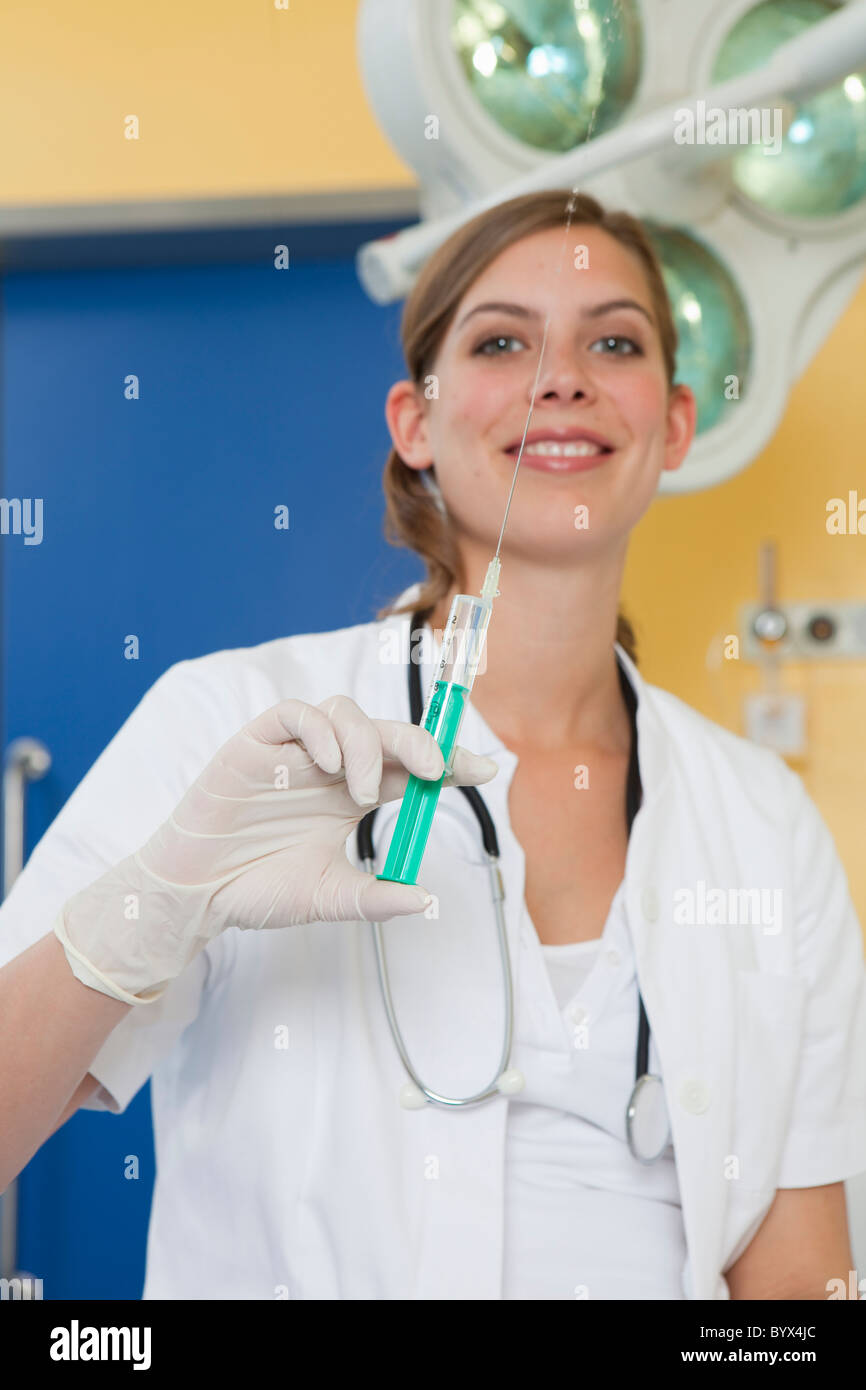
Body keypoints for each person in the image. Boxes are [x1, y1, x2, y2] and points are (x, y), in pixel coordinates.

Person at [1, 190, 864, 1301]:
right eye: (502, 340)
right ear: (414, 422)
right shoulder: (236, 722)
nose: (563, 376)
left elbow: (794, 1289)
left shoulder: (759, 824)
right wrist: (159, 899)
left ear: (676, 423)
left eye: (614, 340)